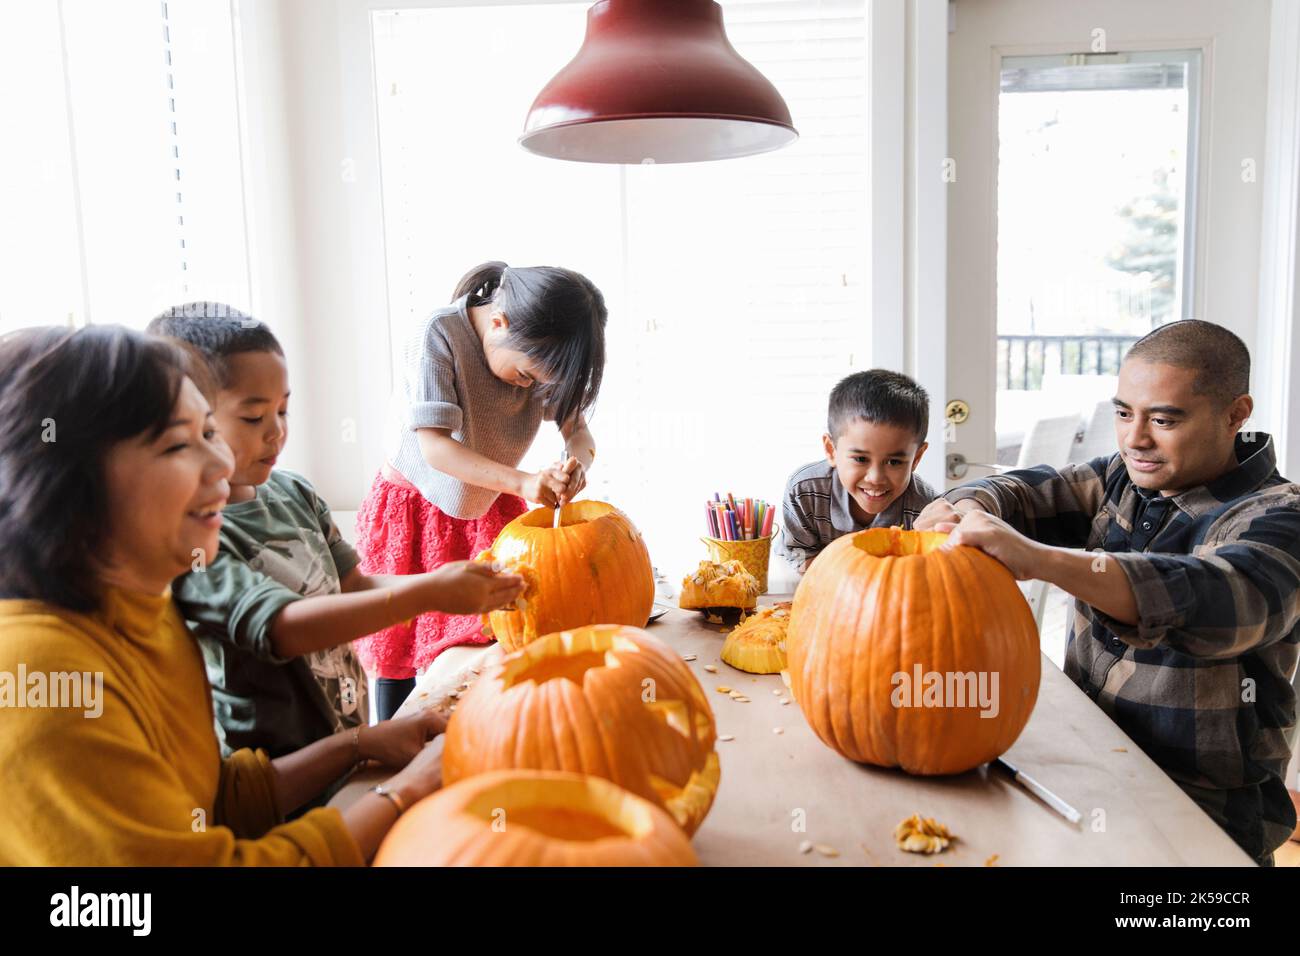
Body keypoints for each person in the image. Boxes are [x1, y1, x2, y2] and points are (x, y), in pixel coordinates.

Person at [0, 326, 445, 863]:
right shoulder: (41, 681)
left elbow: (207, 800)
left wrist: (357, 746)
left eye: (209, 433)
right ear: (67, 479)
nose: (221, 466)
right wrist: (402, 793)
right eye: (176, 445)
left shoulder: (149, 609)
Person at [917, 319, 1300, 865]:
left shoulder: (1280, 516)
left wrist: (1042, 560)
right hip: (1088, 763)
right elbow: (1020, 491)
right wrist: (966, 506)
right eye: (1124, 413)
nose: (1134, 439)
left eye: (1164, 419)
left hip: (1203, 810)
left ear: (1236, 413)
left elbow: (1224, 601)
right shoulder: (1121, 477)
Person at [149, 304, 522, 805]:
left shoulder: (295, 494)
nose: (276, 431)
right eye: (254, 416)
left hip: (346, 744)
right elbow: (285, 627)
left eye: (283, 410)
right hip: (275, 778)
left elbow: (357, 588)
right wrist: (430, 591)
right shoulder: (193, 538)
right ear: (190, 421)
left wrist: (446, 586)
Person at [357, 261, 607, 718]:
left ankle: (486, 732)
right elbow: (435, 448)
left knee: (492, 638)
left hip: (489, 505)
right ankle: (388, 747)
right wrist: (525, 481)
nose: (532, 388)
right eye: (528, 377)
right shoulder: (439, 334)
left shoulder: (537, 355)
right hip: (415, 510)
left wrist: (578, 463)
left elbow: (579, 434)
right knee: (401, 647)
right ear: (499, 322)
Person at [780, 369, 937, 573]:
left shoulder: (924, 509)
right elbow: (800, 556)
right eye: (860, 459)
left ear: (916, 458)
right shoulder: (805, 492)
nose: (875, 478)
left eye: (894, 462)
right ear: (831, 450)